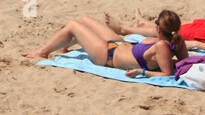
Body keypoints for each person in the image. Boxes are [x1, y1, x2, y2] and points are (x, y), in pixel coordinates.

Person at [23, 9, 185, 76]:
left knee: (73, 25)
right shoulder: (176, 41)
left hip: (107, 56)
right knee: (85, 20)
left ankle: (42, 52)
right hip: (119, 44)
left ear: (158, 28)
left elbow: (167, 74)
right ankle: (63, 47)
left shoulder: (161, 46)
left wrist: (141, 73)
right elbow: (185, 61)